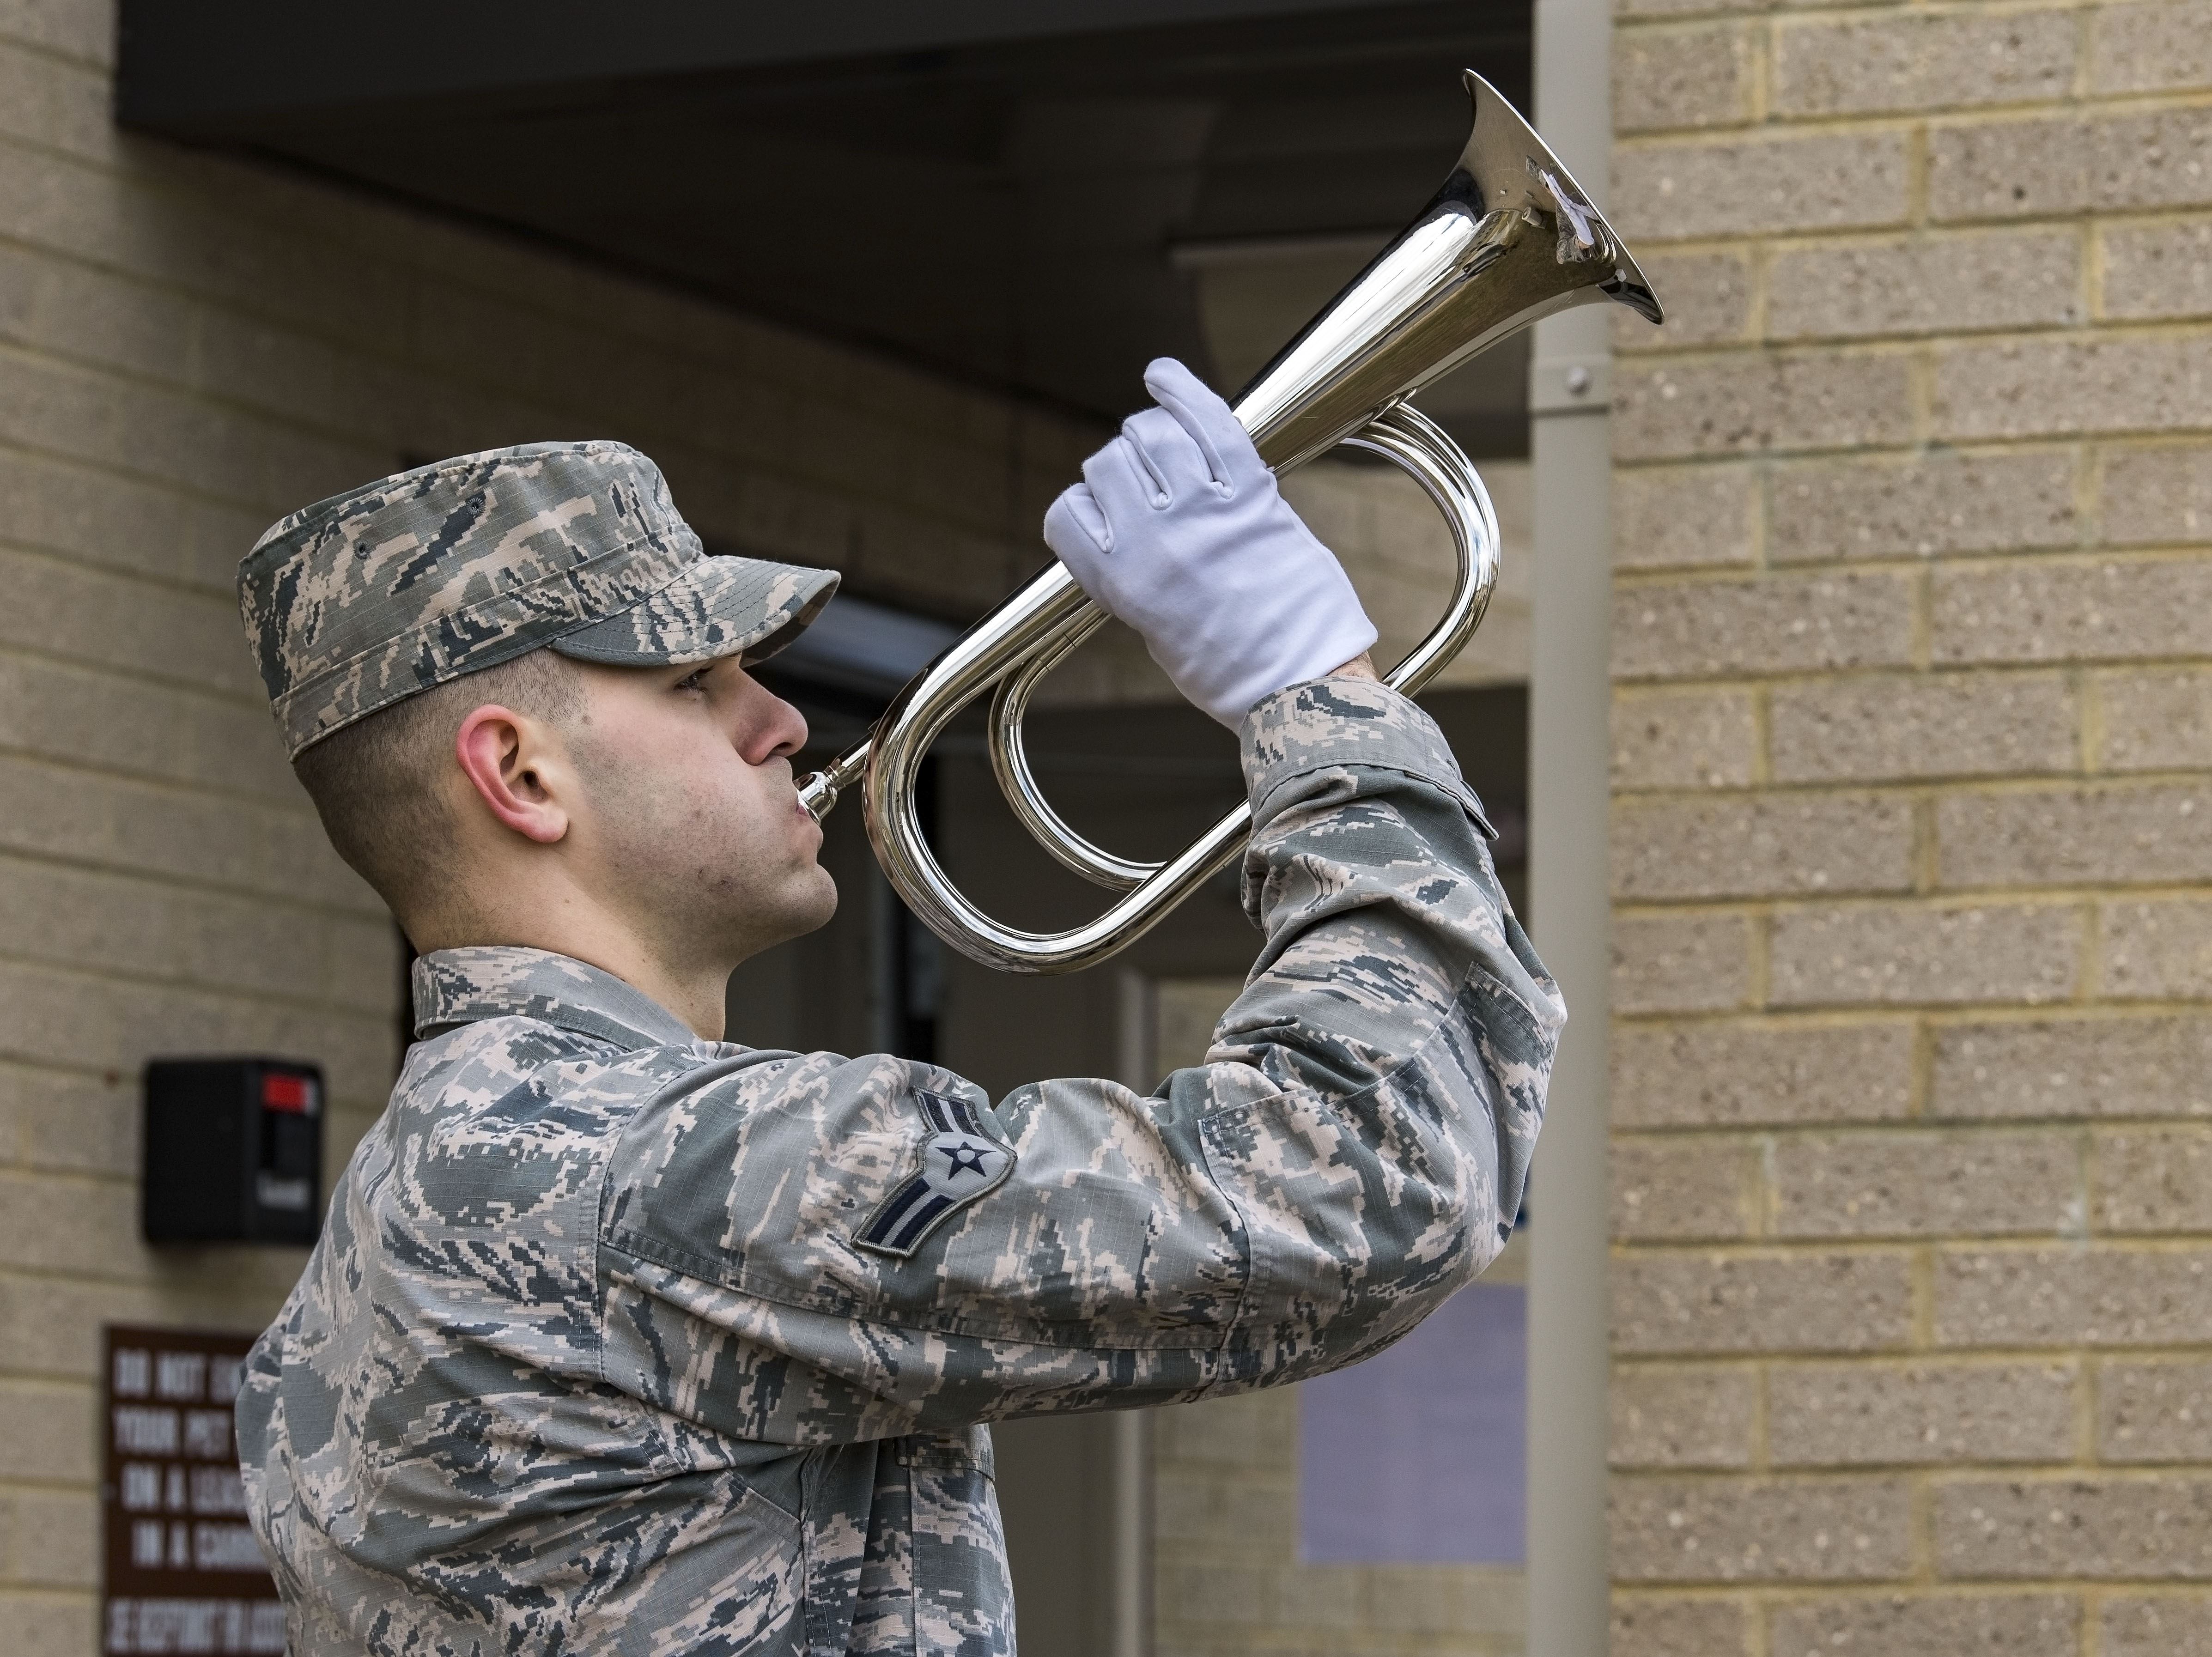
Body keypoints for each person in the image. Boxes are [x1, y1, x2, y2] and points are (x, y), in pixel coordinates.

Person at [233, 359, 1562, 1656]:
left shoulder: (383, 1228)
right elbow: (1367, 1178)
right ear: (521, 774)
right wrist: (1316, 698)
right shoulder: (668, 1159)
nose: (782, 722)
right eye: (696, 682)